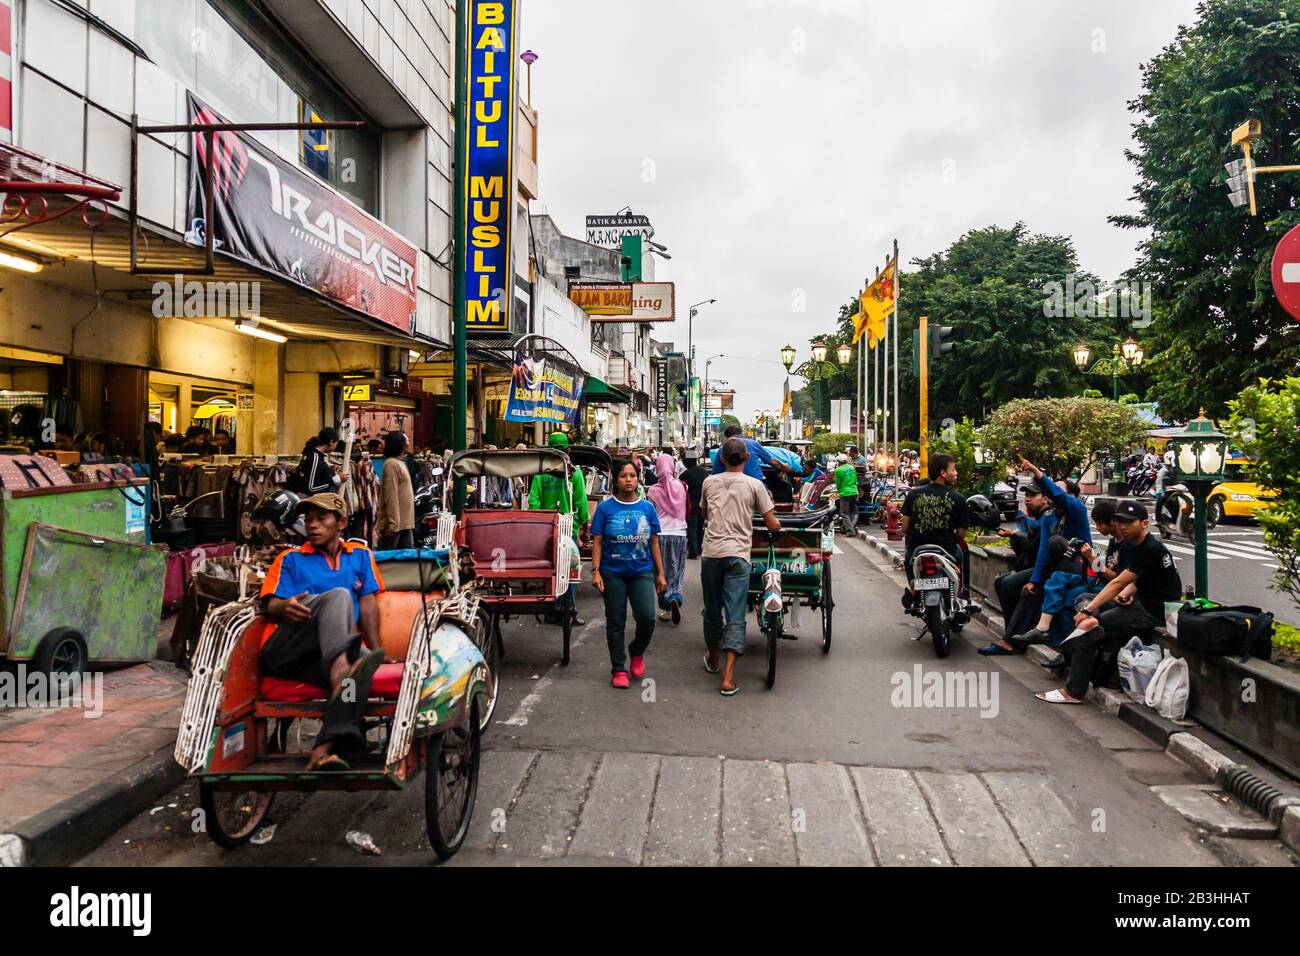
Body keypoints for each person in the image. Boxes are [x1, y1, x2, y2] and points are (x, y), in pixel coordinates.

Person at [259, 492, 387, 770]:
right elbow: (269, 603)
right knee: (338, 596)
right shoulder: (290, 559)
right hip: (288, 650)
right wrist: (283, 608)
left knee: (362, 664)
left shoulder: (360, 556)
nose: (312, 525)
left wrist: (378, 651)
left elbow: (368, 606)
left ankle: (322, 750)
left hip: (321, 657)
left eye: (321, 519)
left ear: (341, 523)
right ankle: (340, 670)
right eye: (308, 519)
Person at [1037, 501, 1181, 704]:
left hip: (1152, 610)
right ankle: (1070, 657)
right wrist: (1126, 593)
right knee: (1081, 602)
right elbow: (1137, 579)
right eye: (1119, 521)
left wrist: (1089, 609)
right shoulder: (1132, 545)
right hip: (1138, 600)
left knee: (1087, 626)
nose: (1122, 526)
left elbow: (1116, 580)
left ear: (1145, 524)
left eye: (1128, 522)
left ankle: (1073, 691)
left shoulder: (1148, 548)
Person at [700, 437, 781, 697]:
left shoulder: (709, 482)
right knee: (735, 614)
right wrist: (777, 527)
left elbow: (705, 513)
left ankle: (713, 658)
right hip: (738, 556)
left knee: (712, 609)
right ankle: (727, 677)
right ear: (747, 459)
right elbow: (771, 523)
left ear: (722, 459)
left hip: (711, 554)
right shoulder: (754, 485)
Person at [590, 461, 666, 688]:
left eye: (632, 475)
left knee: (647, 617)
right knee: (616, 622)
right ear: (616, 479)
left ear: (638, 478)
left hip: (642, 572)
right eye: (623, 475)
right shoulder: (605, 508)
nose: (628, 479)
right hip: (612, 573)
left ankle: (636, 650)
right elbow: (598, 541)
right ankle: (619, 669)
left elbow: (654, 542)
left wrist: (660, 573)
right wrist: (595, 572)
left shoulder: (647, 508)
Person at [529, 431, 590, 624]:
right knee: (570, 571)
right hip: (569, 529)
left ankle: (552, 608)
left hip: (547, 530)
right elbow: (581, 503)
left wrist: (541, 521)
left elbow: (533, 501)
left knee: (551, 570)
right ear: (568, 450)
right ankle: (568, 611)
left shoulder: (541, 473)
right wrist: (584, 528)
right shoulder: (575, 472)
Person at [900, 453, 969, 605]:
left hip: (917, 548)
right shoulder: (958, 499)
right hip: (947, 549)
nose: (956, 473)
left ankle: (913, 588)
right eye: (953, 470)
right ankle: (963, 592)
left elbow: (905, 528)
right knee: (963, 554)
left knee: (907, 561)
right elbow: (961, 534)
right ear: (943, 473)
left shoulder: (913, 494)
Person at [647, 451, 688, 624]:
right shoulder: (681, 487)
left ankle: (665, 606)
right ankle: (675, 596)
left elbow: (651, 514)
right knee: (677, 570)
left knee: (660, 571)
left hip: (659, 535)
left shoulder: (653, 491)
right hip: (679, 533)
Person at [376, 431, 415, 551]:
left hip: (404, 523)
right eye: (405, 438)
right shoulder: (391, 464)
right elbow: (390, 495)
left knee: (407, 560)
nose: (408, 441)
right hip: (395, 525)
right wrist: (393, 523)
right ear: (399, 443)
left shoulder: (400, 463)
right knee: (387, 560)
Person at [711, 424, 789, 483]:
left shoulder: (722, 449)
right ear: (747, 456)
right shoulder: (753, 444)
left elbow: (715, 474)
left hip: (729, 488)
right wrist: (784, 467)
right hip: (755, 484)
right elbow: (772, 461)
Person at [681, 450, 710, 560]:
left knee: (692, 528)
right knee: (700, 527)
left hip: (691, 505)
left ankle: (692, 552)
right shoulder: (703, 472)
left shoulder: (684, 475)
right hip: (703, 503)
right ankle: (698, 549)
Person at [298, 427, 342, 494]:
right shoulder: (315, 458)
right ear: (331, 442)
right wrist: (336, 479)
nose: (336, 446)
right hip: (312, 501)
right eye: (336, 443)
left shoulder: (316, 456)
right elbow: (311, 487)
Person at [833, 451, 860, 534]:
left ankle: (850, 530)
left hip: (845, 493)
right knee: (853, 512)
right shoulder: (852, 468)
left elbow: (838, 484)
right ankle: (849, 527)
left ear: (839, 462)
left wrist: (839, 492)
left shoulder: (838, 470)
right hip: (854, 491)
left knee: (844, 513)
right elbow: (855, 480)